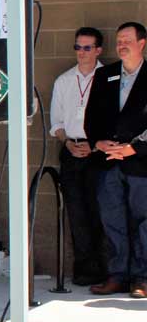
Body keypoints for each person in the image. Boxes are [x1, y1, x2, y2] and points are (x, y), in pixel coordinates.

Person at [85, 21, 147, 299]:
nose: (121, 45)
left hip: (140, 163)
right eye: (119, 40)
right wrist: (97, 141)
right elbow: (91, 118)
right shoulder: (106, 74)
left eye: (127, 40)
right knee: (113, 221)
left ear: (142, 43)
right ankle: (118, 275)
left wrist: (135, 149)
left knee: (143, 222)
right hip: (108, 162)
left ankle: (143, 278)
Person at [49, 27, 107, 286]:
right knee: (76, 212)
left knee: (102, 211)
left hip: (100, 152)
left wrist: (94, 146)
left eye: (86, 48)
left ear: (98, 50)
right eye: (77, 47)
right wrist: (69, 143)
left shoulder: (109, 78)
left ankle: (107, 270)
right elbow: (56, 122)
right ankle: (84, 270)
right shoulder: (63, 81)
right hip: (72, 151)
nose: (81, 53)